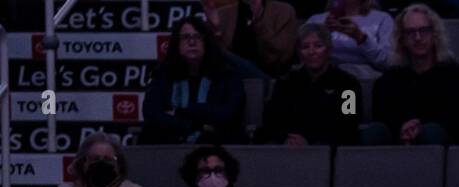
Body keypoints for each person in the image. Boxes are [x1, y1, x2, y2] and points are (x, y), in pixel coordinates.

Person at [364, 4, 459, 145]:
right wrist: (402, 128)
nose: (417, 37)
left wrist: (419, 128)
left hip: (442, 144)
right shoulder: (388, 80)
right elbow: (382, 117)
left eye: (424, 30)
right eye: (410, 32)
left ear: (435, 34)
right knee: (374, 132)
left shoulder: (458, 76)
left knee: (430, 133)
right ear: (402, 39)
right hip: (397, 144)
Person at [142, 16, 247, 144]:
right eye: (186, 37)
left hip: (216, 142)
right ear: (177, 43)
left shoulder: (227, 75)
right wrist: (192, 125)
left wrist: (181, 111)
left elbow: (228, 113)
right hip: (172, 140)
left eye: (198, 37)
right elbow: (151, 113)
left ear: (206, 42)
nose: (192, 42)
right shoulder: (163, 74)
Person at [261, 22, 362, 145]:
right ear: (299, 52)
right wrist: (285, 138)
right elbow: (271, 121)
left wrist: (310, 142)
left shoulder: (348, 85)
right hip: (288, 149)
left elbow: (349, 125)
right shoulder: (285, 83)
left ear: (329, 50)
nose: (311, 51)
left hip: (331, 151)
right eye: (305, 47)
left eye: (318, 46)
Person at [202, 0, 299, 76]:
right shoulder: (223, 13)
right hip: (231, 79)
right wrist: (216, 30)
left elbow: (280, 57)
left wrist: (259, 22)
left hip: (269, 76)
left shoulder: (284, 11)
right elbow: (218, 59)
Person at [305, 0, 394, 78]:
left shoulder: (383, 19)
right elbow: (303, 56)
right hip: (326, 78)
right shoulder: (316, 20)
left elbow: (387, 63)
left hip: (368, 80)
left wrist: (361, 38)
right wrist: (323, 34)